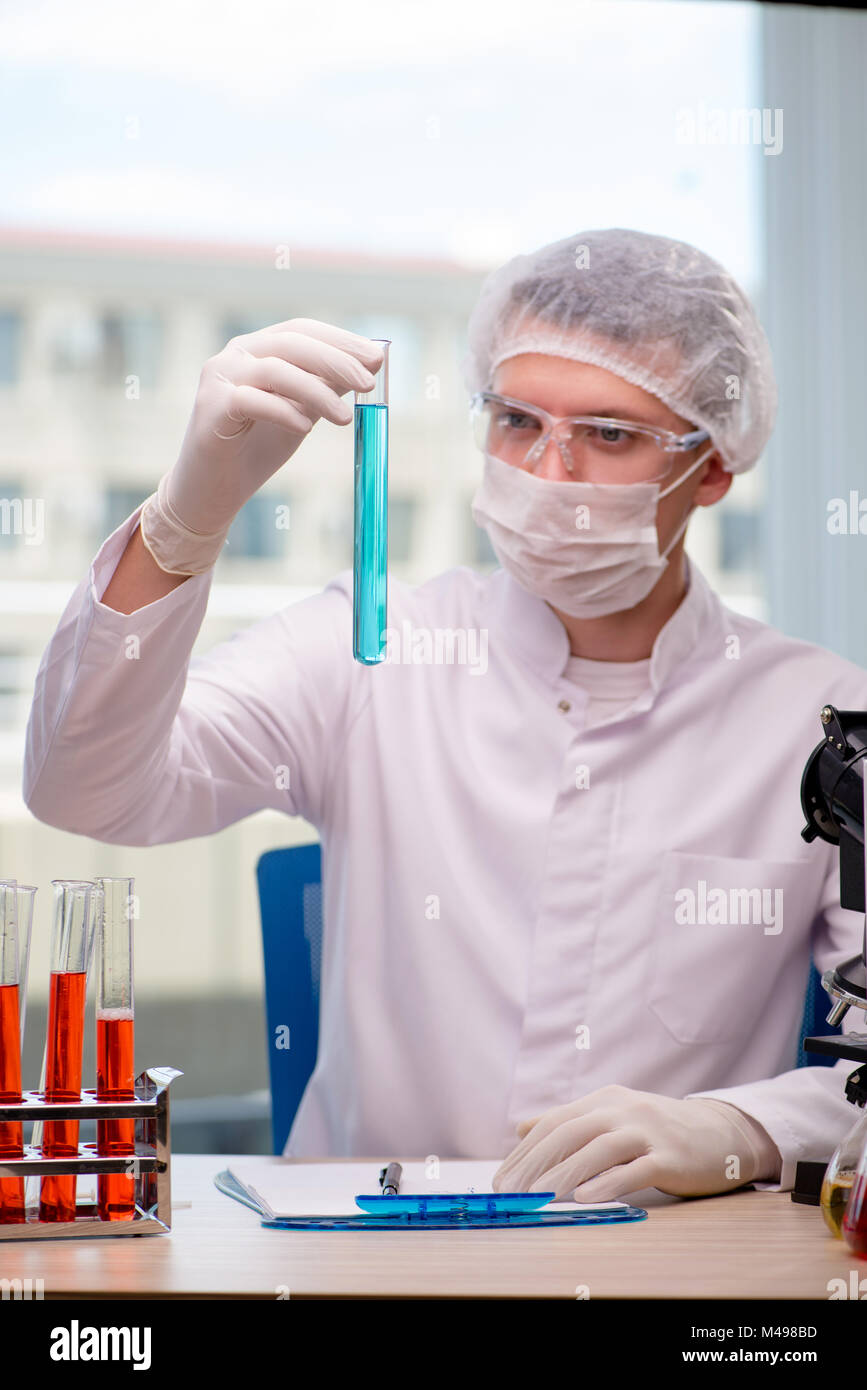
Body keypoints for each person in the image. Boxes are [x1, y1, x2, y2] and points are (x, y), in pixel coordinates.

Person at [22, 228, 867, 1203]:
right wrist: (183, 523)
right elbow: (85, 789)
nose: (548, 471)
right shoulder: (369, 650)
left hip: (664, 1261)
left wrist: (742, 1129)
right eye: (516, 420)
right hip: (367, 1258)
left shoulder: (823, 723)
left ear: (713, 468)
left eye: (607, 434)